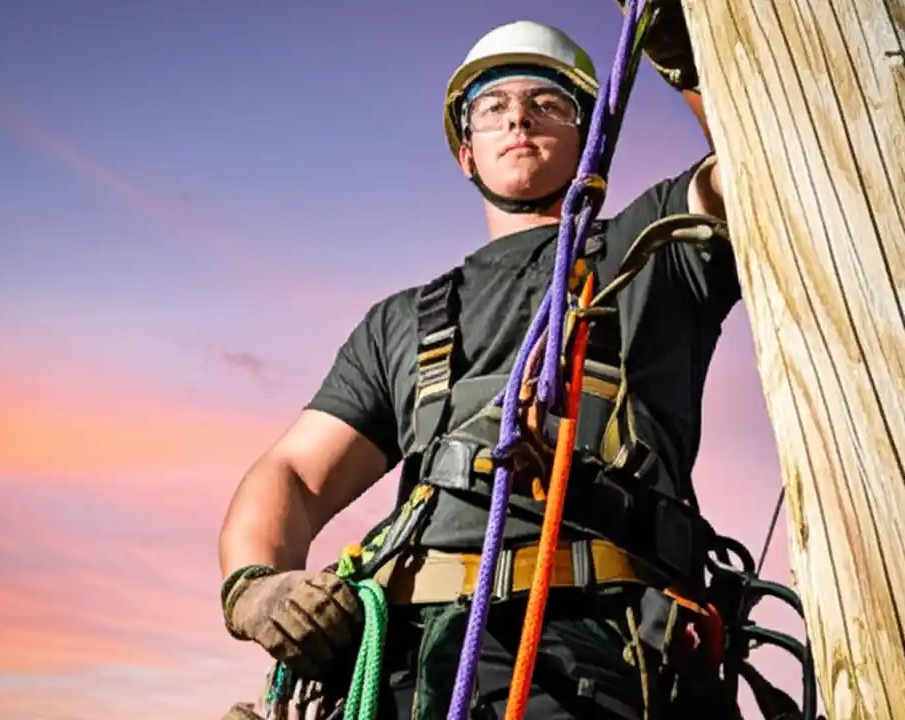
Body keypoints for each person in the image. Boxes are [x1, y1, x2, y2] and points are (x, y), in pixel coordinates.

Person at [217, 5, 760, 719]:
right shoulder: (407, 321)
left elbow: (759, 161)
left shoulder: (651, 251)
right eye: (492, 106)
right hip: (405, 668)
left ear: (591, 139)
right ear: (466, 152)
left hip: (585, 661)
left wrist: (691, 61)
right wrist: (257, 586)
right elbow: (294, 472)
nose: (518, 118)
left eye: (548, 102)